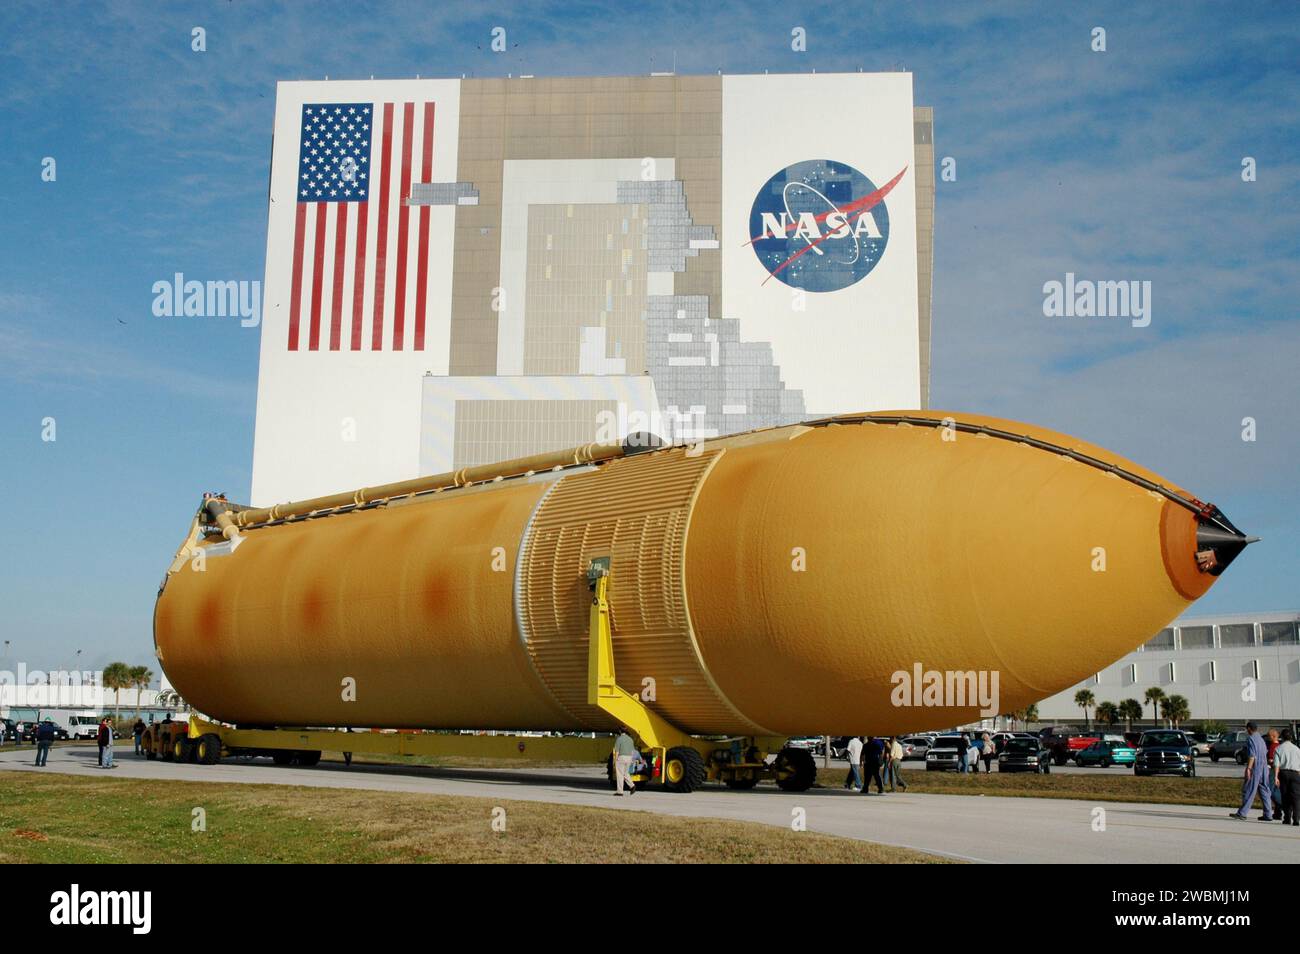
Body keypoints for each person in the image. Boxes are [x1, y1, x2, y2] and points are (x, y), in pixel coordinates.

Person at [1229, 721, 1272, 821]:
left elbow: (1252, 755)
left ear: (1249, 728)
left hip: (1255, 767)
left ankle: (1242, 813)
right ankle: (1268, 814)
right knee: (1264, 790)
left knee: (1249, 789)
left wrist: (1249, 768)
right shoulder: (1261, 739)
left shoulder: (1251, 739)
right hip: (1264, 767)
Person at [1273, 728, 1299, 826]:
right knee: (1296, 797)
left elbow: (1276, 765)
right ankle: (1296, 819)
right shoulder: (1297, 749)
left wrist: (1276, 777)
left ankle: (1287, 818)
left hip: (1283, 773)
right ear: (1291, 737)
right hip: (1295, 773)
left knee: (1285, 796)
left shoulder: (1278, 749)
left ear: (1282, 737)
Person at [611, 727, 638, 795]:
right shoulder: (630, 739)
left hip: (621, 757)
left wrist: (615, 760)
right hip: (629, 757)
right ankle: (632, 786)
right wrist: (632, 759)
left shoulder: (619, 739)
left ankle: (620, 791)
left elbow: (617, 751)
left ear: (620, 731)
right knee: (626, 773)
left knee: (620, 774)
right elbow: (632, 751)